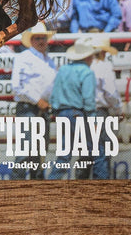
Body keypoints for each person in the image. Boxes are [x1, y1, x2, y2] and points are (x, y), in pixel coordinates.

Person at [9, 23, 56, 180]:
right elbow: (16, 87)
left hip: (43, 110)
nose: (41, 41)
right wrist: (37, 101)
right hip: (28, 109)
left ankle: (37, 190)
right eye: (38, 38)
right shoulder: (23, 57)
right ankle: (15, 191)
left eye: (43, 38)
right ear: (32, 40)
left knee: (40, 153)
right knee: (25, 151)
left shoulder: (49, 60)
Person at [45, 38, 97, 180]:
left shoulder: (63, 70)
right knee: (89, 151)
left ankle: (50, 184)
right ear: (88, 56)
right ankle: (82, 184)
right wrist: (93, 120)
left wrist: (56, 111)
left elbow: (54, 95)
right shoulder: (87, 72)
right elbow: (88, 99)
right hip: (78, 114)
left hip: (62, 113)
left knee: (64, 154)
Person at [89, 40, 123, 179]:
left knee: (90, 150)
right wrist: (118, 109)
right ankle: (102, 184)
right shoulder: (104, 67)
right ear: (103, 52)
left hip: (85, 112)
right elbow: (110, 92)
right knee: (102, 151)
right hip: (100, 112)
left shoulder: (85, 66)